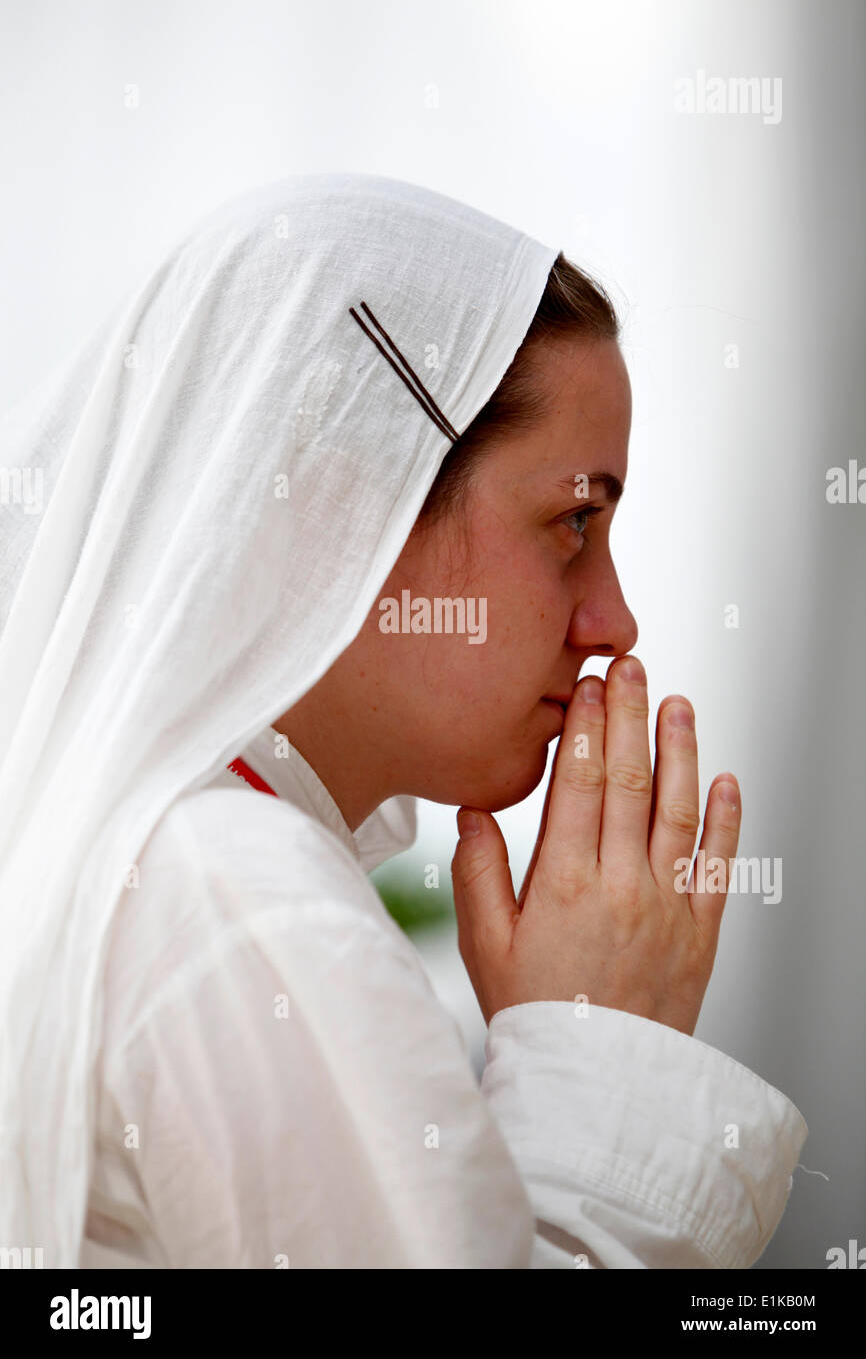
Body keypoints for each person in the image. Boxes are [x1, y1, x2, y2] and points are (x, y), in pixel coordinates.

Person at [0, 173, 807, 1269]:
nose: (614, 621)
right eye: (572, 520)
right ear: (345, 495)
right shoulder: (232, 887)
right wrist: (602, 1056)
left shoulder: (159, 851)